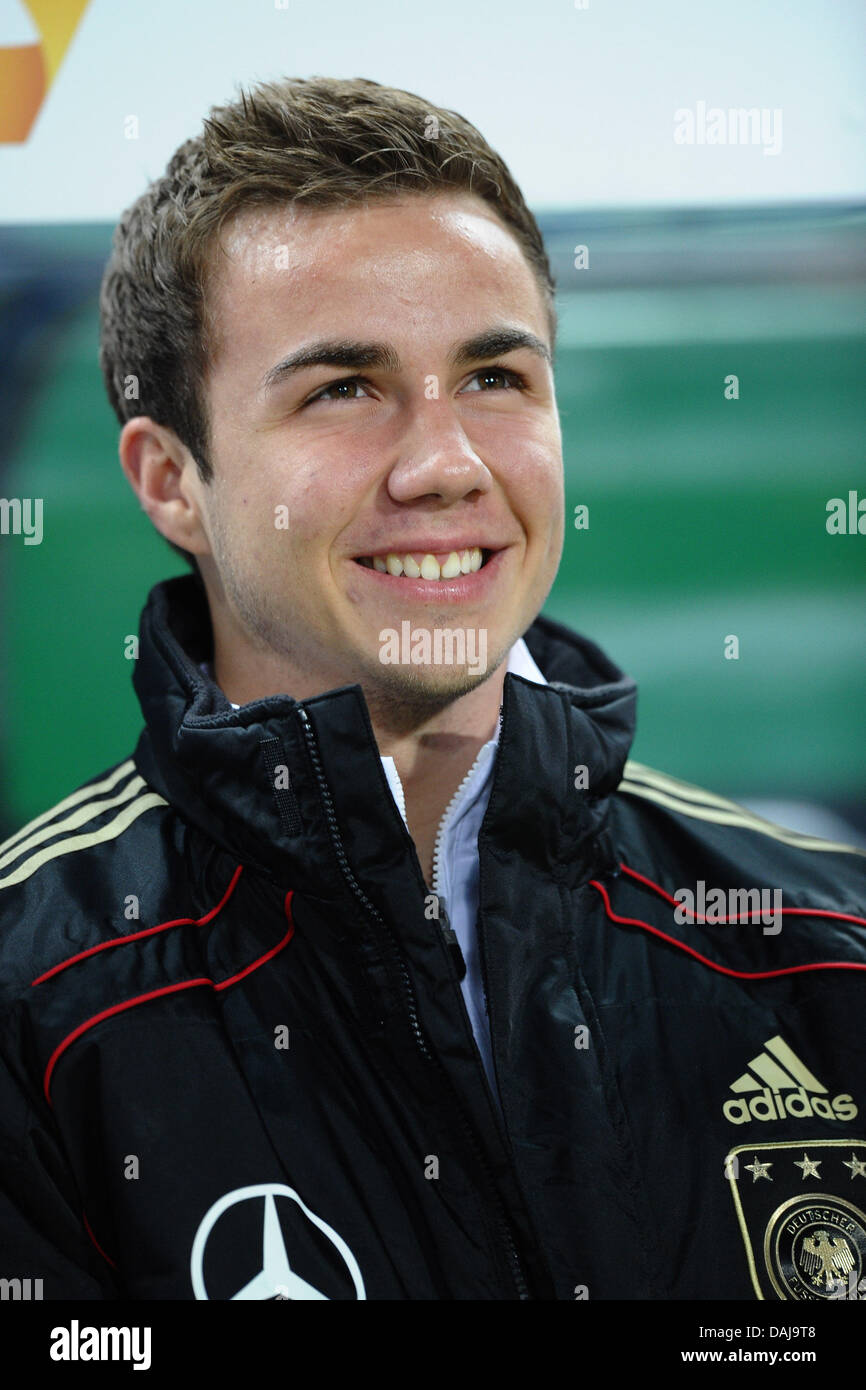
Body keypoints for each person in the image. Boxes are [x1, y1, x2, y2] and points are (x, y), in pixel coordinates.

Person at [1, 75, 864, 1303]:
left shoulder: (823, 946)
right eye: (341, 389)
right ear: (171, 480)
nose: (445, 464)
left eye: (495, 378)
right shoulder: (30, 1006)